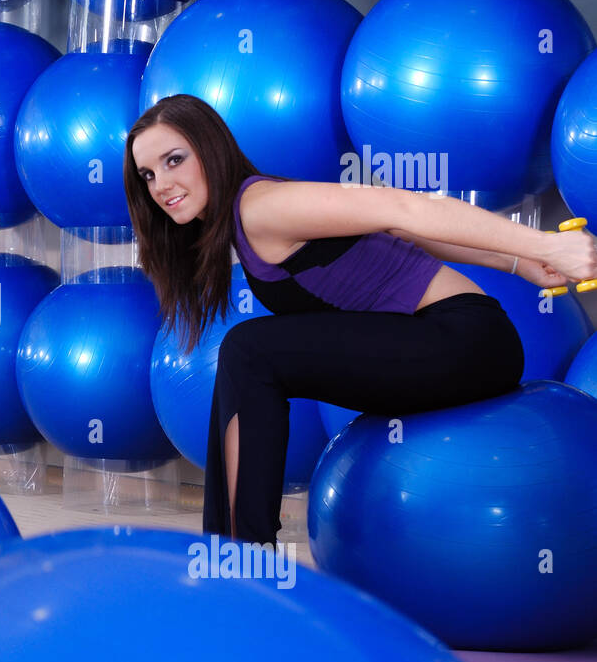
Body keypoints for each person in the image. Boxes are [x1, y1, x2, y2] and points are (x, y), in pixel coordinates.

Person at [124, 94, 597, 544]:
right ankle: (235, 550)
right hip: (439, 344)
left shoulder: (260, 205)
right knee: (247, 355)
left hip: (464, 340)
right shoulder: (240, 220)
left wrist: (545, 246)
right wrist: (516, 265)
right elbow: (403, 237)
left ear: (210, 148)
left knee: (248, 349)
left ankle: (243, 556)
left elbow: (403, 209)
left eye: (174, 160)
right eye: (147, 175)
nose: (161, 185)